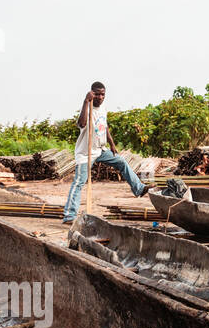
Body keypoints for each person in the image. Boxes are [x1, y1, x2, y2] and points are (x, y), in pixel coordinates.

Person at [62, 82, 147, 223]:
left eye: (103, 94)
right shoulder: (87, 108)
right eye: (97, 94)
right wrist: (85, 101)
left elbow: (105, 126)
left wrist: (112, 144)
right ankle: (69, 216)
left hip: (100, 149)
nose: (100, 97)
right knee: (79, 182)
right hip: (86, 153)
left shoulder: (103, 108)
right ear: (91, 93)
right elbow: (82, 124)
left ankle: (139, 188)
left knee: (121, 162)